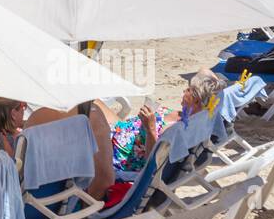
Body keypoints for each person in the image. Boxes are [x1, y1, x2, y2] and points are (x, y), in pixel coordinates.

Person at [96, 71, 227, 184]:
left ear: (196, 100)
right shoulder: (184, 117)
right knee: (90, 102)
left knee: (85, 109)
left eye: (188, 90)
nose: (184, 91)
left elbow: (153, 164)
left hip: (114, 150)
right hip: (121, 130)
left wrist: (150, 128)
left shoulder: (179, 131)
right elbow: (204, 71)